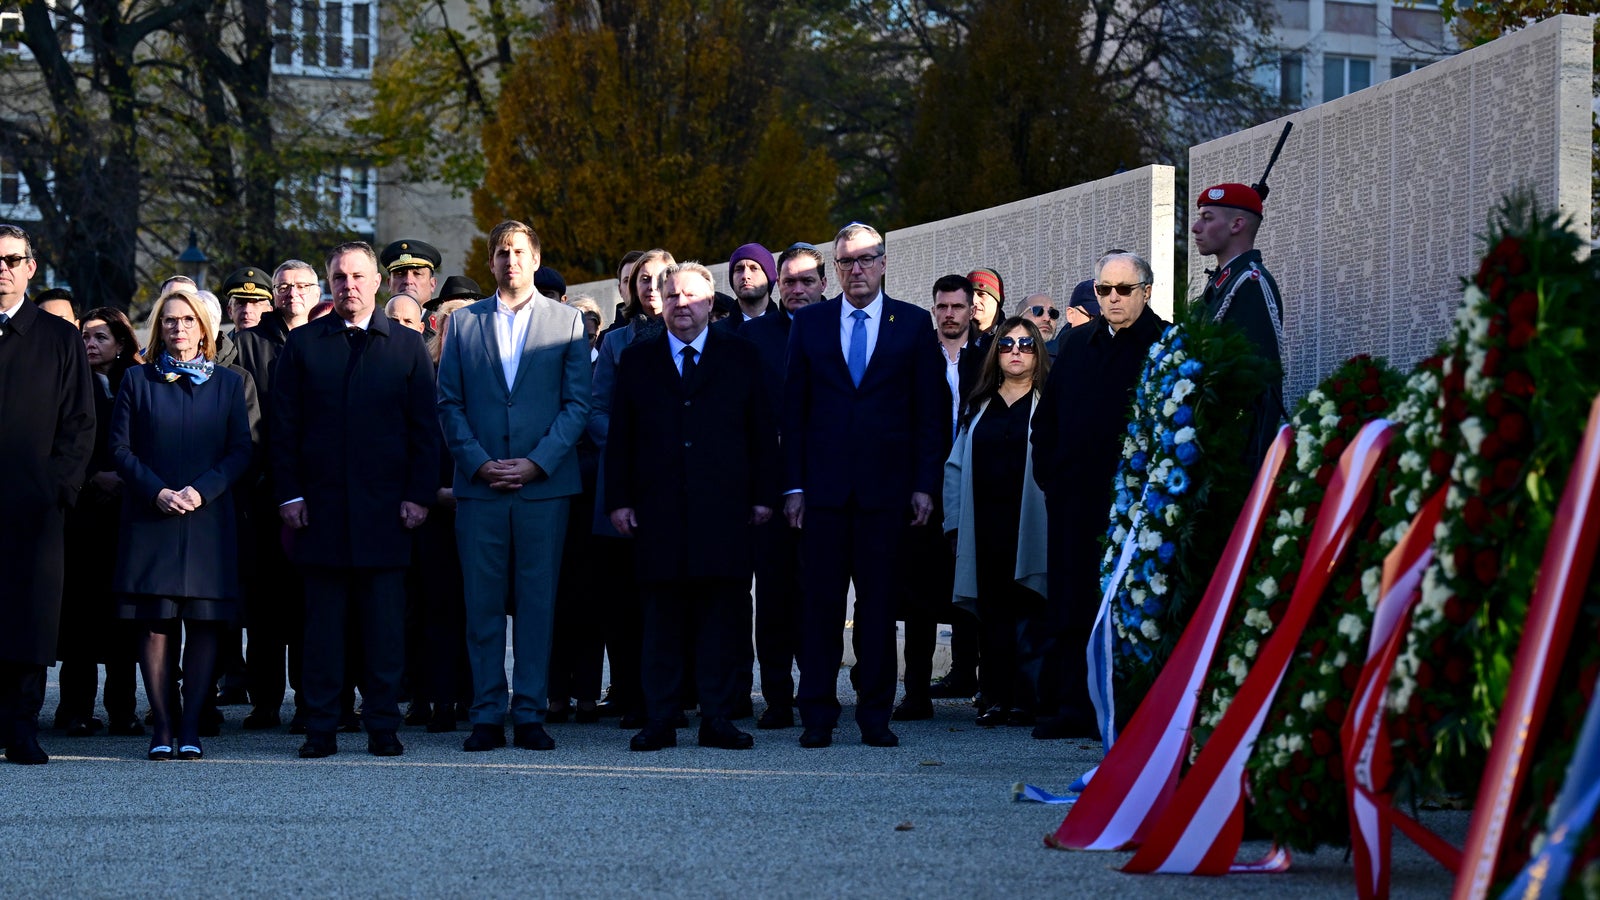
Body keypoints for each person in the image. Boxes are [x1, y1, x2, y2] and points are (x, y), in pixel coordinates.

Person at [272, 241, 439, 759]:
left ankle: (383, 725)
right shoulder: (302, 346)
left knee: (385, 628)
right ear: (330, 283)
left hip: (387, 513)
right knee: (323, 628)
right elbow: (283, 429)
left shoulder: (406, 347)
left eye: (358, 276)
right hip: (319, 511)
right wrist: (290, 495)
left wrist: (418, 497)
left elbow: (424, 433)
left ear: (377, 282)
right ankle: (321, 725)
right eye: (340, 277)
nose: (349, 285)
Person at [783, 222, 946, 748]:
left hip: (888, 495)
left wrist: (925, 484)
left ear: (882, 263)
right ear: (835, 269)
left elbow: (932, 413)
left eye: (866, 259)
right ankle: (817, 715)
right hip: (823, 496)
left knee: (878, 608)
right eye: (846, 262)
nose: (856, 269)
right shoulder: (809, 324)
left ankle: (875, 715)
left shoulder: (915, 324)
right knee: (820, 608)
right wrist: (793, 487)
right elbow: (795, 412)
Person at [606, 262, 778, 751]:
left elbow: (762, 433)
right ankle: (660, 718)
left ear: (710, 302)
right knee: (660, 620)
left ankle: (717, 718)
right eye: (673, 296)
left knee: (720, 620)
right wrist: (618, 500)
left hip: (724, 512)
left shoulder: (741, 356)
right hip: (656, 512)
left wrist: (765, 496)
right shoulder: (639, 359)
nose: (682, 305)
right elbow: (620, 437)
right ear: (661, 303)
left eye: (692, 297)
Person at [436, 220, 591, 753]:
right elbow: (449, 404)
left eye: (520, 252)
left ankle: (529, 712)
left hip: (542, 488)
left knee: (537, 603)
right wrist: (478, 464)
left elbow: (577, 405)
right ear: (491, 261)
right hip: (480, 488)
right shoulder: (462, 325)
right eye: (502, 252)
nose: (511, 261)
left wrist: (536, 463)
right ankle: (485, 713)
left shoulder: (569, 322)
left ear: (535, 257)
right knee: (480, 604)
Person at [1030, 251, 1168, 740]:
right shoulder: (1078, 343)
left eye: (1123, 290)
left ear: (1145, 292)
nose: (1111, 298)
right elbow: (1049, 418)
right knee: (1071, 600)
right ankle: (1074, 705)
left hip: (1136, 507)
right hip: (1075, 501)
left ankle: (1128, 707)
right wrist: (1052, 473)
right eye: (1103, 289)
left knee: (1128, 603)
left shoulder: (1165, 344)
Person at [111, 289, 253, 761]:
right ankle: (163, 728)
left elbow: (241, 451)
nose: (179, 328)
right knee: (156, 625)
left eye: (188, 320)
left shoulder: (231, 383)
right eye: (170, 321)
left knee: (205, 623)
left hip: (208, 518)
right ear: (158, 329)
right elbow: (120, 449)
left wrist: (200, 490)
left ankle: (191, 727)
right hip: (152, 516)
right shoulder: (136, 380)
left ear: (204, 328)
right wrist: (158, 491)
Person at [0, 224, 96, 765]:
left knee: (28, 618)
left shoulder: (58, 338)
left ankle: (21, 728)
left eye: (14, 259)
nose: (3, 268)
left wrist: (57, 487)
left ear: (31, 267)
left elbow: (80, 422)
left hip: (34, 505)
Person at [944, 317, 1051, 728]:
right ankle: (993, 697)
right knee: (991, 612)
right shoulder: (979, 405)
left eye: (1026, 343)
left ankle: (1027, 698)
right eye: (1006, 344)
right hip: (983, 523)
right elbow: (955, 465)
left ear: (1037, 351)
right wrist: (953, 524)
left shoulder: (1048, 401)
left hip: (1030, 522)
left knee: (1030, 607)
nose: (1016, 351)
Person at [588, 248, 673, 727]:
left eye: (661, 276)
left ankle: (674, 693)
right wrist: (631, 454)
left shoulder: (701, 337)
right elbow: (597, 411)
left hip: (676, 489)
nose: (650, 285)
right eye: (643, 278)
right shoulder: (617, 342)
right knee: (623, 601)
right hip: (624, 485)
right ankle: (630, 693)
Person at [744, 243, 826, 730]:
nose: (797, 290)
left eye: (806, 281)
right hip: (770, 491)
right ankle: (777, 697)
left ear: (823, 283)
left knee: (820, 597)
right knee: (772, 599)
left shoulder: (840, 331)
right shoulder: (753, 339)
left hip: (830, 487)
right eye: (789, 282)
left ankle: (817, 694)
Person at [53, 308, 145, 739]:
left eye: (100, 337)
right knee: (79, 620)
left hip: (127, 518)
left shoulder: (140, 383)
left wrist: (126, 478)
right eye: (85, 337)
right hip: (82, 518)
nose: (90, 344)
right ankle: (74, 710)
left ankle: (123, 710)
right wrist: (91, 476)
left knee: (124, 621)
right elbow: (60, 438)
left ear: (122, 343)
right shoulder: (68, 383)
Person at [234, 259, 317, 732]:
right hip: (263, 494)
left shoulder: (327, 336)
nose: (293, 293)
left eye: (303, 285)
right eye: (284, 287)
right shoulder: (244, 344)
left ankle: (310, 701)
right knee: (264, 608)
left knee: (310, 604)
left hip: (314, 491)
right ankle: (264, 700)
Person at [904, 274, 986, 717]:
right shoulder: (918, 355)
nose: (949, 315)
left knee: (979, 587)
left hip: (976, 485)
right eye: (942, 307)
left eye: (957, 306)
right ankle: (915, 693)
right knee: (918, 593)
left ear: (971, 308)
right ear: (934, 309)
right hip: (925, 486)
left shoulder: (990, 352)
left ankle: (988, 690)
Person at [1191, 182, 1285, 474]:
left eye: (1207, 218)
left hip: (1234, 460)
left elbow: (1255, 385)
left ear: (1237, 225)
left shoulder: (1250, 285)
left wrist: (1241, 463)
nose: (1196, 227)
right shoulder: (1223, 283)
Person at [725, 242, 775, 324]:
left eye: (754, 268)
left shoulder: (790, 329)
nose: (745, 275)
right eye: (739, 269)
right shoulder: (716, 334)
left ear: (769, 277)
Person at [380, 239, 441, 305]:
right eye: (400, 274)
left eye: (417, 274)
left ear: (432, 284)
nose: (408, 281)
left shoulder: (447, 315)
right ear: (389, 283)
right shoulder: (378, 315)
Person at [223, 267, 274, 332]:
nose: (247, 310)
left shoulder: (286, 341)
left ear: (269, 311)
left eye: (255, 303)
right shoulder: (217, 342)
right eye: (240, 303)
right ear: (230, 311)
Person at [968, 267, 1005, 338]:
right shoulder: (952, 338)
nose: (974, 301)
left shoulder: (1012, 338)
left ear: (997, 300)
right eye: (969, 295)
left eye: (981, 294)